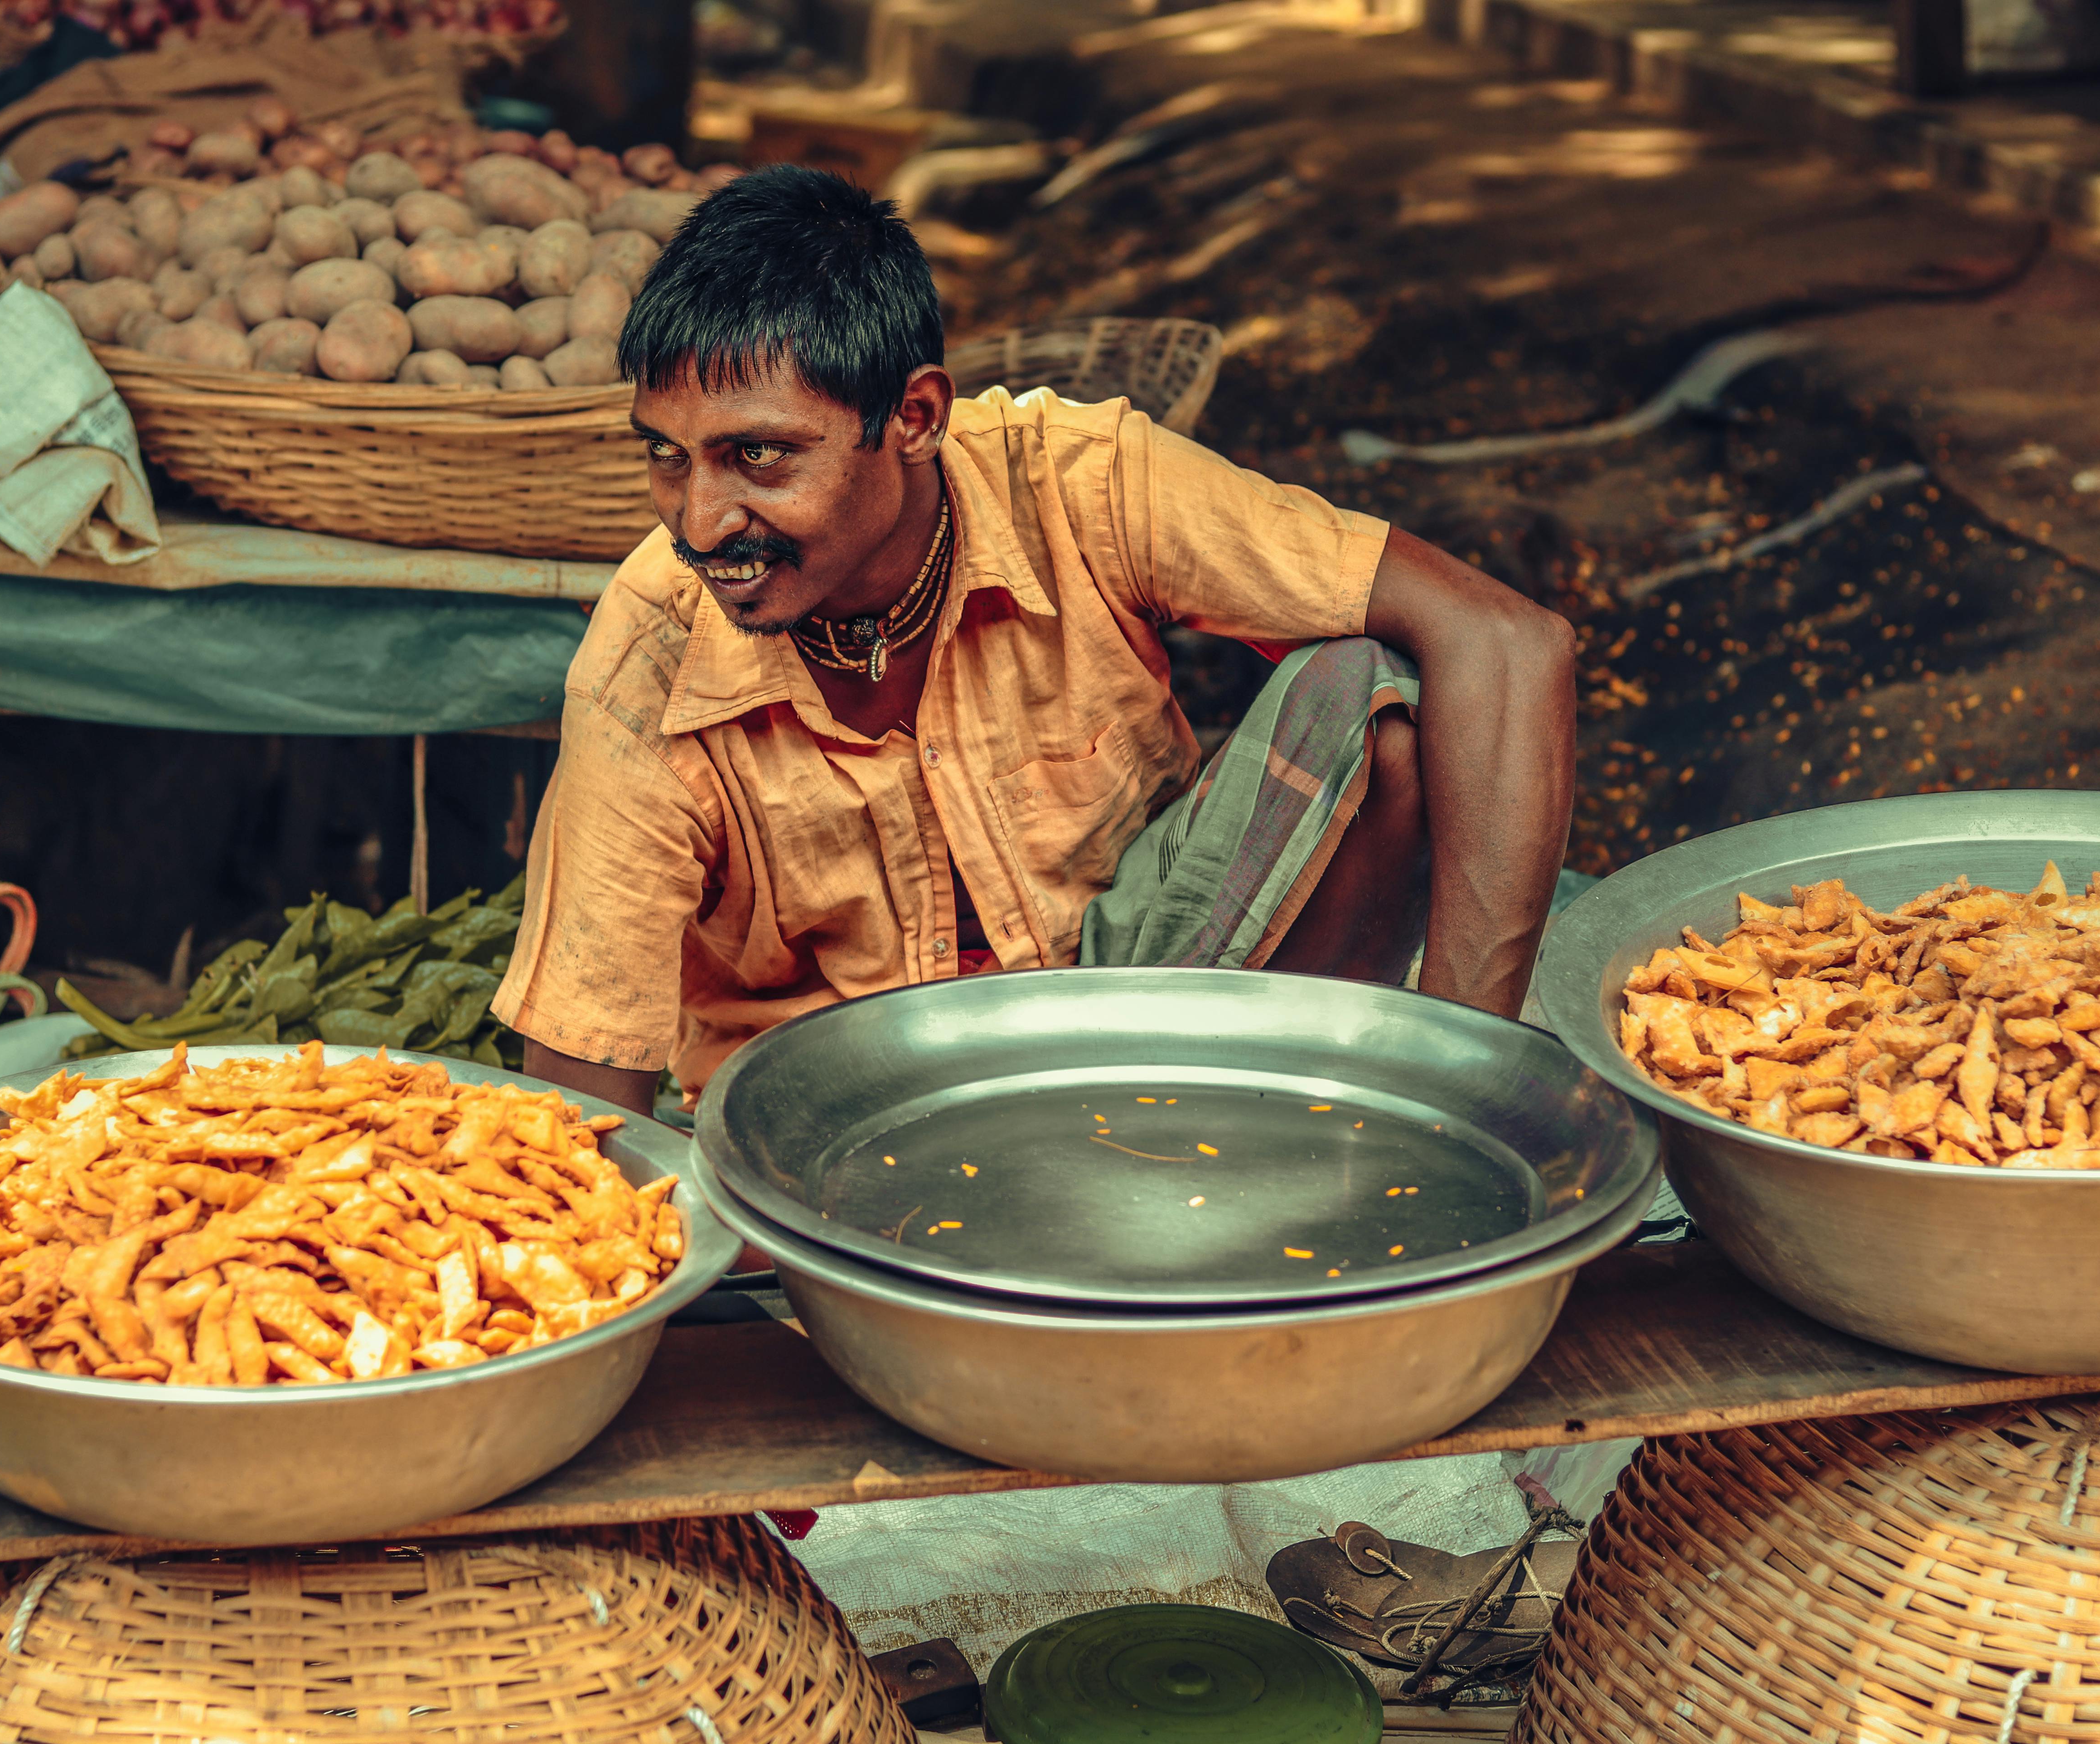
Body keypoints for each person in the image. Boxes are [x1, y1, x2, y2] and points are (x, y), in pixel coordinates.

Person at [491, 164, 1575, 1118]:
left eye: (761, 457)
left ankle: (1337, 1112)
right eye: (668, 457)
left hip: (1151, 1005)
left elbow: (1511, 641)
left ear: (915, 419)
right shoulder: (649, 660)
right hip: (847, 1122)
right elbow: (581, 1085)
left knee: (1377, 690)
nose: (699, 521)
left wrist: (1467, 1080)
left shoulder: (1079, 482)